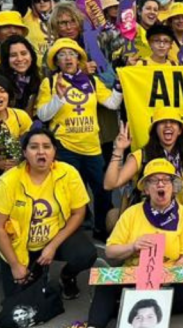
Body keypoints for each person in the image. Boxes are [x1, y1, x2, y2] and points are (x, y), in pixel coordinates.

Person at [58, 159, 183, 328]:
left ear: (174, 187)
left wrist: (167, 273)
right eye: (154, 181)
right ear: (146, 189)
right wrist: (133, 246)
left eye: (166, 180)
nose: (160, 184)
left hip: (168, 276)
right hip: (133, 274)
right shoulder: (132, 213)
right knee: (106, 282)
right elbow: (110, 251)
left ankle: (123, 309)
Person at [0, 128, 96, 300]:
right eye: (34, 147)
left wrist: (52, 246)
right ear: (24, 152)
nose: (41, 152)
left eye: (46, 146)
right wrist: (15, 265)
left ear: (54, 151)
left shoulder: (68, 173)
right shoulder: (9, 181)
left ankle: (66, 276)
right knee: (20, 301)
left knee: (85, 254)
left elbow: (78, 213)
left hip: (54, 237)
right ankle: (31, 271)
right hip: (20, 245)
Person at [35, 38, 123, 239]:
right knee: (70, 193)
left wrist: (119, 85)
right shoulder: (50, 83)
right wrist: (58, 97)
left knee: (103, 190)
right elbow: (43, 115)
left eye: (72, 54)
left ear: (79, 59)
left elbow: (111, 103)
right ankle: (74, 233)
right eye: (62, 55)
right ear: (56, 61)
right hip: (65, 147)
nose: (68, 58)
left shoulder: (91, 81)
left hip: (93, 147)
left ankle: (101, 228)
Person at [106, 108, 183, 213]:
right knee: (111, 216)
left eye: (173, 122)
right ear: (155, 130)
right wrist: (118, 150)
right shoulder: (142, 156)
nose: (168, 125)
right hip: (145, 221)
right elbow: (110, 184)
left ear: (180, 130)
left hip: (180, 224)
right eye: (163, 122)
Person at [0, 34, 42, 115]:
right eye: (13, 55)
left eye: (24, 53)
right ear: (6, 59)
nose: (20, 59)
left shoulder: (35, 76)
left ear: (31, 55)